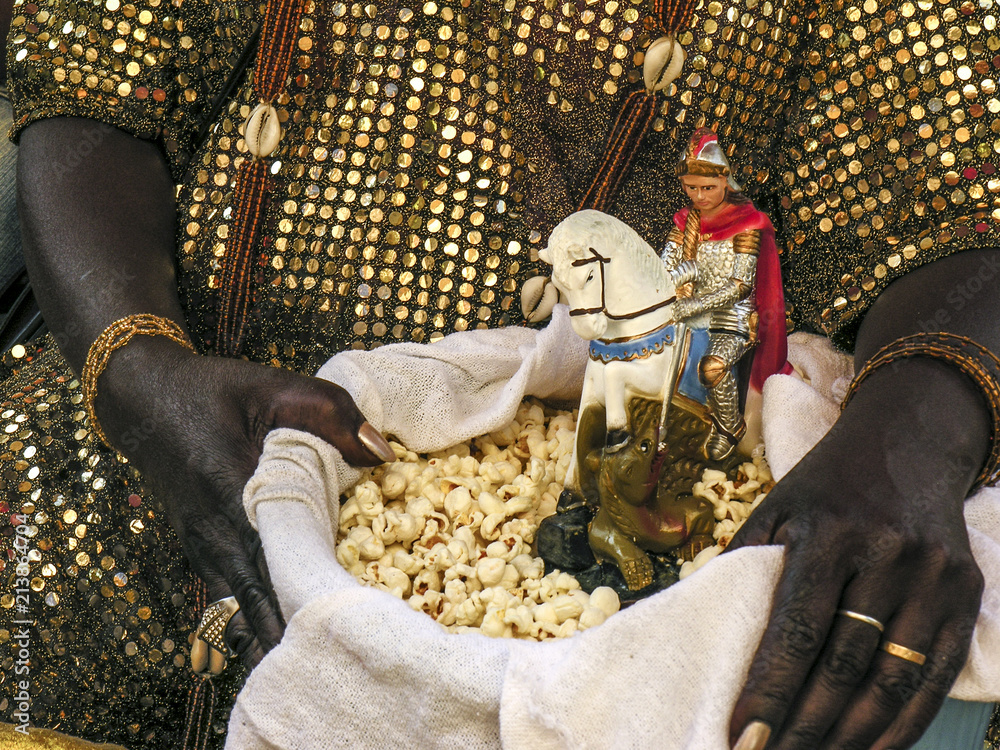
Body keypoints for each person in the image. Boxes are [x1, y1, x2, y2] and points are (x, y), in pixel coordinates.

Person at [1, 0, 997, 749]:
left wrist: (908, 440)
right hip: (109, 511)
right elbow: (95, 79)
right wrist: (132, 363)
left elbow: (956, 206)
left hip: (587, 590)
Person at [662, 128, 792, 460]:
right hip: (681, 307)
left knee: (713, 368)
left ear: (724, 182)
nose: (700, 196)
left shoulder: (747, 224)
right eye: (692, 188)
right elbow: (667, 265)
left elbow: (740, 285)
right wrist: (668, 285)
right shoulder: (685, 221)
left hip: (729, 317)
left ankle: (727, 425)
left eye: (708, 188)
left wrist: (694, 305)